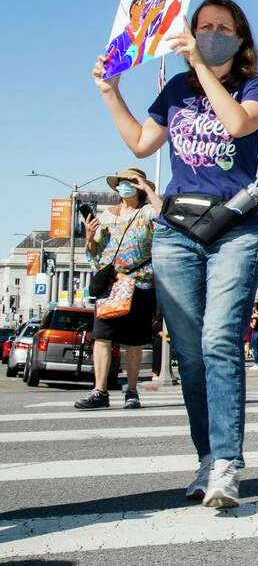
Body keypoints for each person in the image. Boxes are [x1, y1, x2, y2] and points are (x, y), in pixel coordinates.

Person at [92, 0, 258, 508]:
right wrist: (110, 92)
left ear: (239, 37)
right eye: (202, 26)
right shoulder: (175, 90)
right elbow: (141, 144)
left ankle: (227, 464)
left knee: (219, 341)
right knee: (190, 356)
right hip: (176, 229)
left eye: (221, 27)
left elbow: (239, 124)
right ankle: (207, 457)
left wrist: (198, 60)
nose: (211, 32)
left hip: (235, 225)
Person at [74, 168, 162, 410]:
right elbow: (94, 254)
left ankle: (131, 392)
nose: (126, 186)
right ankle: (99, 391)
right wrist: (90, 237)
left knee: (133, 342)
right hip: (111, 286)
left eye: (131, 182)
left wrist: (147, 188)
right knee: (101, 338)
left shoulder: (146, 212)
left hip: (139, 284)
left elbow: (165, 215)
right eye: (122, 182)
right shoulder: (105, 215)